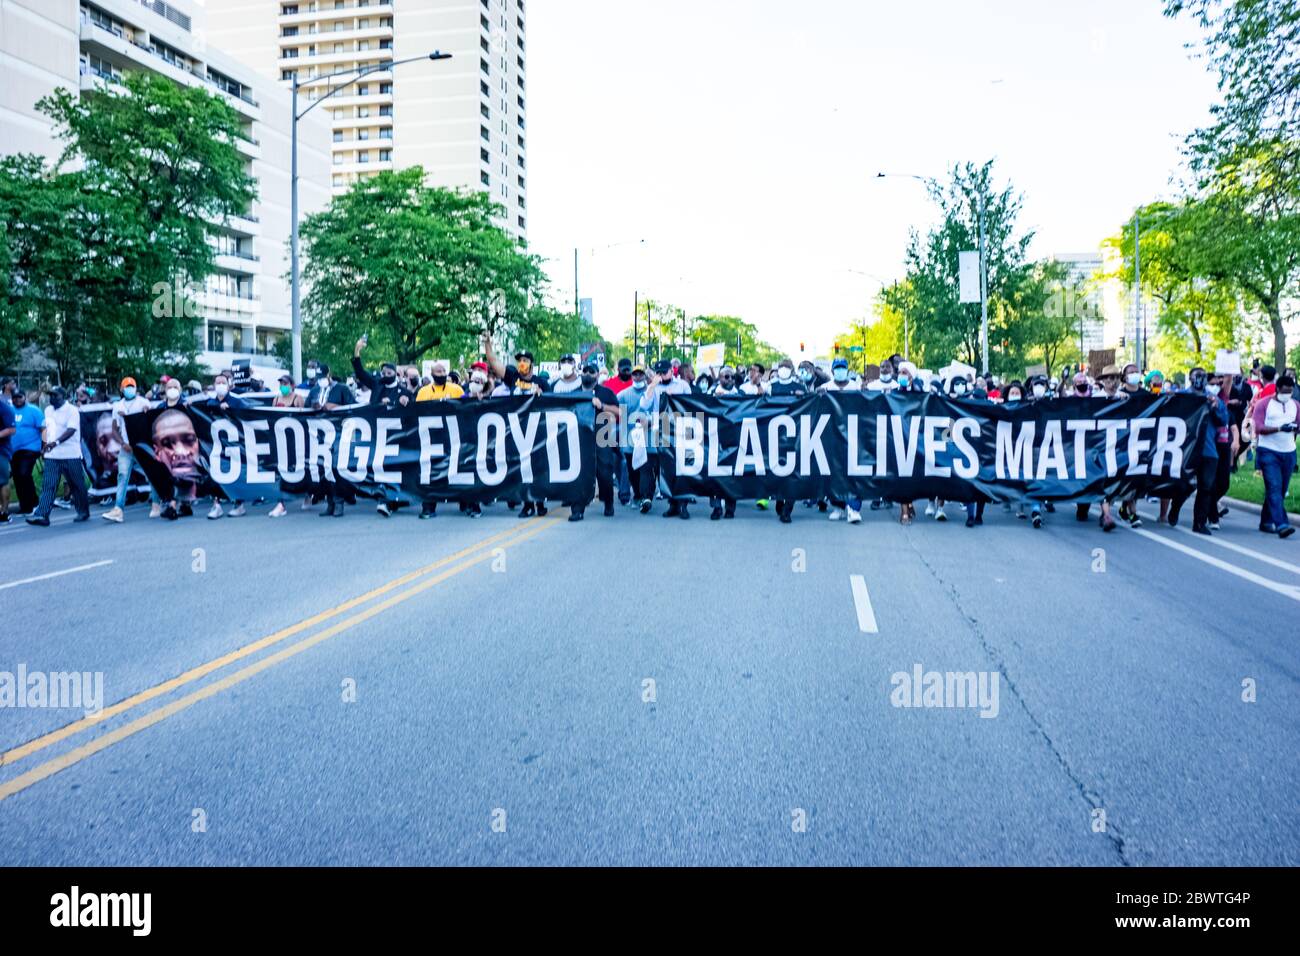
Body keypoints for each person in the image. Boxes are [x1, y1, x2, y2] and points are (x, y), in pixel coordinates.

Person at [1168, 367, 1228, 535]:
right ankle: (1176, 505)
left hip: (1208, 450)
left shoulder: (1213, 398)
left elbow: (1223, 420)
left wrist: (1215, 406)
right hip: (1186, 449)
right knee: (1185, 484)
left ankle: (1199, 523)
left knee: (1206, 487)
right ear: (1190, 378)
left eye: (1202, 376)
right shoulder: (1182, 396)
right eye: (1196, 376)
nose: (1199, 379)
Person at [25, 386, 90, 526]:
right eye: (50, 395)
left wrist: (55, 443)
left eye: (55, 396)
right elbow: (46, 429)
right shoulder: (48, 410)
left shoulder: (72, 410)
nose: (52, 398)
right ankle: (42, 515)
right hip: (52, 455)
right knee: (48, 485)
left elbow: (71, 430)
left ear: (64, 396)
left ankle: (83, 511)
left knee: (77, 485)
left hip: (70, 454)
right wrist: (44, 446)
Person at [640, 359, 694, 518]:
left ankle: (683, 505)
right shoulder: (654, 388)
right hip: (662, 431)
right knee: (667, 469)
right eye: (659, 373)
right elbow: (644, 405)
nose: (663, 375)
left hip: (680, 430)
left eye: (665, 372)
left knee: (681, 468)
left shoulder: (682, 385)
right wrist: (652, 385)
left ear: (671, 370)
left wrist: (675, 397)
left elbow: (690, 404)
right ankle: (672, 504)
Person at [568, 363, 619, 521]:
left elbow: (620, 412)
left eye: (592, 372)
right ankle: (578, 508)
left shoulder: (606, 393)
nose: (588, 374)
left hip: (602, 435)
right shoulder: (574, 393)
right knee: (580, 473)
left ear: (597, 375)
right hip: (580, 437)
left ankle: (608, 501)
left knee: (604, 472)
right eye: (585, 371)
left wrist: (602, 405)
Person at [1252, 373, 1298, 538]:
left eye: (1290, 391)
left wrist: (1293, 429)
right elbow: (1258, 427)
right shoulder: (1264, 404)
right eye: (1285, 391)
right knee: (1274, 488)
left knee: (1281, 489)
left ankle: (1265, 521)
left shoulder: (1295, 405)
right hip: (1268, 451)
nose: (1288, 394)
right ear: (1277, 389)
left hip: (1289, 452)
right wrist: (1279, 428)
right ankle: (1282, 524)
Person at [100, 377, 152, 523]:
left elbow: (150, 422)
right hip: (126, 448)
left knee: (151, 475)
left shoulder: (143, 402)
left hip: (142, 446)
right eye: (127, 386)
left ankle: (157, 504)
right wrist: (123, 443)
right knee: (122, 476)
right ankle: (118, 509)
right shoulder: (118, 405)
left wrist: (146, 413)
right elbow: (114, 429)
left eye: (132, 386)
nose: (130, 388)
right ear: (122, 389)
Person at [307, 364, 355, 517]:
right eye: (318, 378)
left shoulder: (342, 389)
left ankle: (339, 501)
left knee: (335, 468)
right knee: (323, 469)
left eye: (323, 377)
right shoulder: (315, 390)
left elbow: (354, 406)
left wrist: (335, 406)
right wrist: (314, 406)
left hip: (338, 434)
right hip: (320, 435)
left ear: (329, 374)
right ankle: (329, 502)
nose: (321, 380)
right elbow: (306, 405)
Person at [767, 358, 808, 524]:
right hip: (775, 435)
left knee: (793, 472)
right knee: (777, 469)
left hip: (796, 435)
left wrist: (803, 396)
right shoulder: (772, 386)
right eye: (782, 366)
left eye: (787, 366)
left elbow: (808, 405)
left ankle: (788, 509)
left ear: (792, 369)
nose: (784, 368)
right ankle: (779, 500)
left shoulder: (799, 387)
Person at [7, 390, 44, 516]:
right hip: (14, 450)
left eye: (20, 397)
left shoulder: (34, 410)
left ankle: (33, 503)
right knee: (17, 477)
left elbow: (43, 428)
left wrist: (45, 445)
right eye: (15, 398)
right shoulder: (9, 410)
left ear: (25, 397)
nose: (17, 400)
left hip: (30, 448)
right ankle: (25, 505)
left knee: (24, 473)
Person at [0, 391, 13, 522]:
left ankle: (4, 512)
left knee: (2, 481)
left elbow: (11, 429)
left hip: (1, 451)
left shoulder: (4, 409)